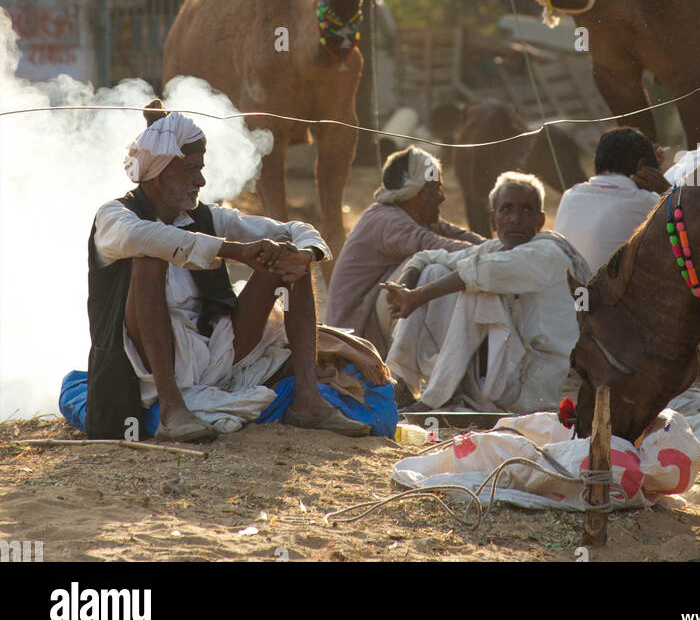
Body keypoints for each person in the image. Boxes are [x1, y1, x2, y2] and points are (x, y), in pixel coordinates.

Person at [86, 101, 372, 441]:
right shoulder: (115, 217)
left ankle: (307, 401)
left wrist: (306, 253)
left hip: (217, 352)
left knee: (287, 260)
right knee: (149, 257)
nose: (201, 180)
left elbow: (294, 228)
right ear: (162, 175)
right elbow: (149, 238)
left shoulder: (206, 217)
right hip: (148, 365)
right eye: (192, 169)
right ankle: (172, 409)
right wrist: (235, 251)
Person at [382, 172, 589, 414]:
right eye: (507, 210)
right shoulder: (497, 248)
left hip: (538, 385)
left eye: (526, 211)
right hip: (508, 370)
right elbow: (428, 256)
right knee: (436, 271)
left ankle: (434, 399)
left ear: (540, 221)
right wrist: (406, 289)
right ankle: (402, 382)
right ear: (493, 220)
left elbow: (478, 273)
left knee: (477, 289)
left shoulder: (546, 253)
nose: (515, 219)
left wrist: (416, 298)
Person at [325, 146, 483, 354]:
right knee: (431, 267)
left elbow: (463, 238)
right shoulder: (386, 220)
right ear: (421, 193)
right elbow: (438, 246)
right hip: (357, 335)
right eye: (437, 189)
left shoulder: (416, 217)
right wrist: (497, 257)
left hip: (372, 323)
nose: (442, 197)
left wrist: (502, 248)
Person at [554, 127, 669, 274]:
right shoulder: (648, 203)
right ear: (641, 167)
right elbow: (686, 224)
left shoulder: (570, 196)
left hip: (572, 294)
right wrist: (667, 188)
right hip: (608, 295)